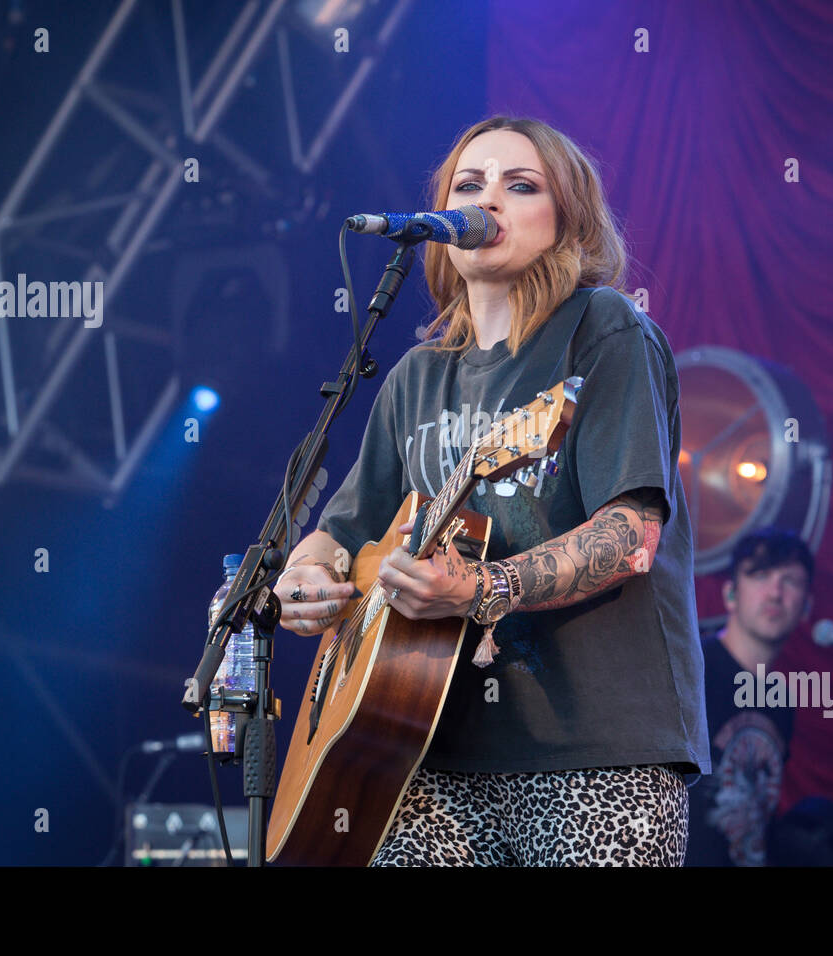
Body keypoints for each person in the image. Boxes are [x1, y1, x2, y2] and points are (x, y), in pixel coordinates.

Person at [273, 115, 710, 866]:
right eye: (469, 186)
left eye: (521, 185)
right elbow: (340, 531)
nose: (488, 201)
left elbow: (631, 534)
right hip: (418, 754)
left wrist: (479, 587)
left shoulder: (602, 330)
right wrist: (307, 576)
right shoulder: (417, 375)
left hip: (594, 749)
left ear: (566, 218)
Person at [684, 527, 815, 866]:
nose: (775, 592)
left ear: (806, 606)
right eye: (760, 575)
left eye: (791, 581)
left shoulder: (782, 701)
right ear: (730, 594)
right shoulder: (694, 668)